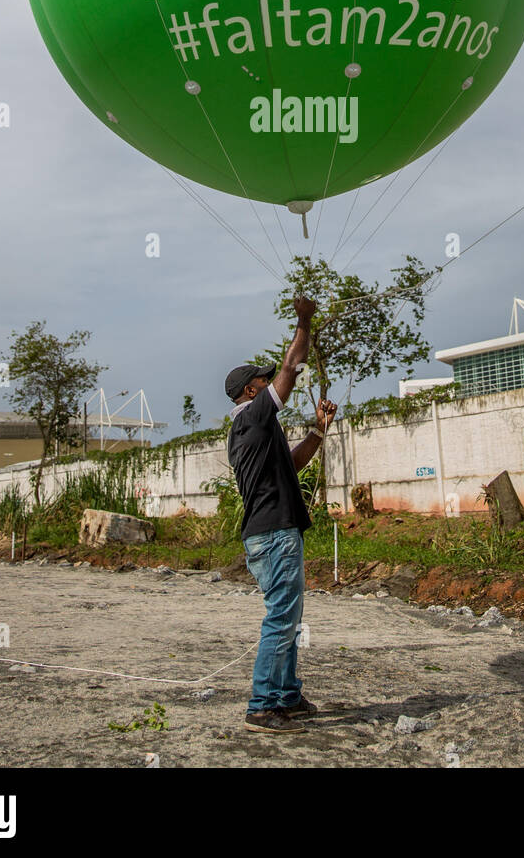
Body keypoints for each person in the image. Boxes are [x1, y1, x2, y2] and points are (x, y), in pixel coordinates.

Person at [225, 293, 337, 733]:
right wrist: (304, 322)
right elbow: (291, 368)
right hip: (272, 535)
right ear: (250, 392)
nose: (273, 383)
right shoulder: (251, 418)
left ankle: (286, 696)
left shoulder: (257, 431)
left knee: (289, 615)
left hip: (274, 533)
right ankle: (262, 705)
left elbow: (293, 464)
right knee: (281, 615)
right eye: (263, 382)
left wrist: (318, 430)